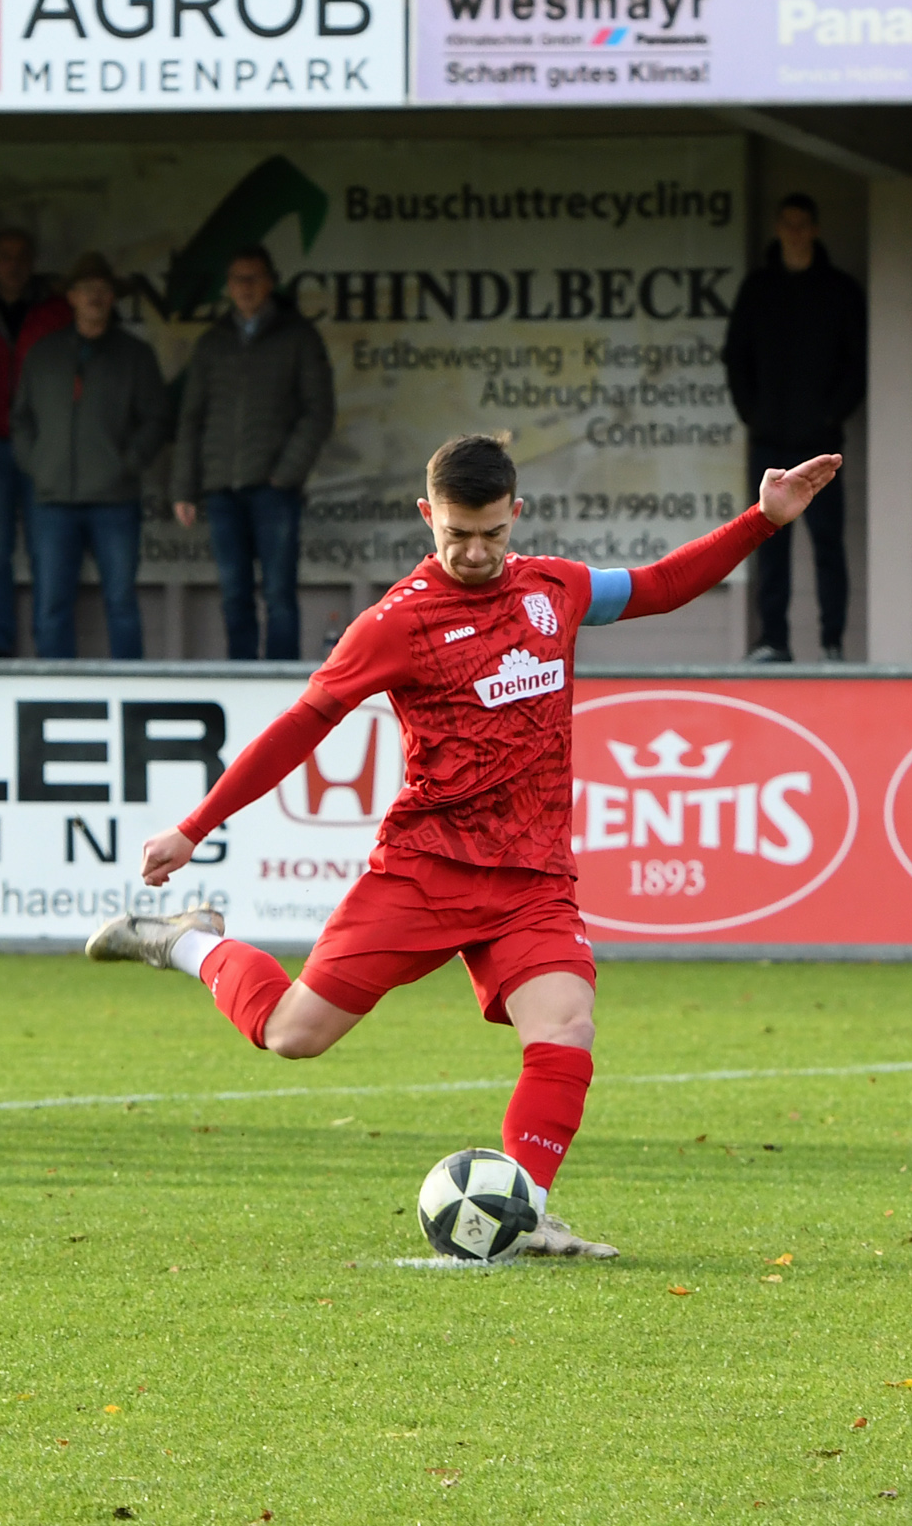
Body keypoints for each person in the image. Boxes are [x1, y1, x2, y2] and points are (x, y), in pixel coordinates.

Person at [87, 434, 844, 1257]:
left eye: (491, 532)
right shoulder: (396, 623)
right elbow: (300, 727)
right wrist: (195, 826)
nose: (476, 551)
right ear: (427, 518)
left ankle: (524, 1212)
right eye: (457, 535)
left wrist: (762, 520)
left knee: (567, 1026)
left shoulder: (555, 587)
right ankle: (188, 940)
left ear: (515, 512)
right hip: (426, 868)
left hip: (531, 874)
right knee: (292, 1032)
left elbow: (660, 585)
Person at [171, 245, 335, 661]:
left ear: (271, 282)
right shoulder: (212, 343)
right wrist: (184, 489)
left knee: (279, 592)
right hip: (221, 487)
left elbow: (319, 411)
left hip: (274, 488)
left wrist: (286, 472)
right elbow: (191, 418)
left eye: (253, 278)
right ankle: (240, 677)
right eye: (237, 279)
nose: (245, 287)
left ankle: (279, 683)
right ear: (226, 287)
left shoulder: (297, 336)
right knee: (233, 593)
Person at [723, 194, 865, 663]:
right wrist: (754, 414)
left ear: (816, 229)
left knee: (827, 545)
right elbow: (736, 358)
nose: (796, 232)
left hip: (822, 445)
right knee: (769, 544)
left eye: (804, 224)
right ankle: (774, 641)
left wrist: (831, 414)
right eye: (788, 224)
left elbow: (856, 365)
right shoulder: (758, 289)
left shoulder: (840, 291)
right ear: (778, 229)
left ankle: (832, 644)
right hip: (770, 440)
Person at [12, 253, 168, 660]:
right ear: (72, 298)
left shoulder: (135, 355)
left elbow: (157, 418)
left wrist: (128, 463)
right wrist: (38, 464)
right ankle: (53, 695)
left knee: (121, 602)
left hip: (115, 499)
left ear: (113, 297)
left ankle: (130, 691)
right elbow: (21, 419)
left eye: (103, 290)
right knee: (51, 605)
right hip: (52, 500)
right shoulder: (42, 354)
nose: (95, 298)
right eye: (86, 290)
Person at [0, 228, 71, 655]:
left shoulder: (57, 310)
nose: (14, 264)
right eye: (5, 256)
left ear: (34, 261)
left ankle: (48, 646)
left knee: (47, 551)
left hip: (45, 444)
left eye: (22, 256)